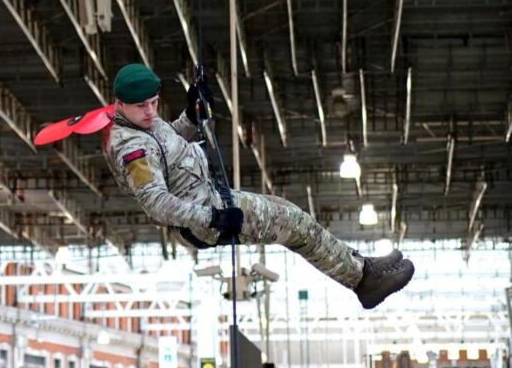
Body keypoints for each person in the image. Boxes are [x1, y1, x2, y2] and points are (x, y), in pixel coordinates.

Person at [103, 63, 415, 309]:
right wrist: (213, 219)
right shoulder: (131, 148)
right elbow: (156, 204)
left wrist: (190, 116)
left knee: (290, 214)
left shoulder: (143, 122)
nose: (150, 111)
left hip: (213, 200)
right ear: (119, 104)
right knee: (294, 225)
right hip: (205, 221)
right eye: (142, 106)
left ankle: (361, 266)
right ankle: (363, 280)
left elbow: (167, 145)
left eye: (155, 103)